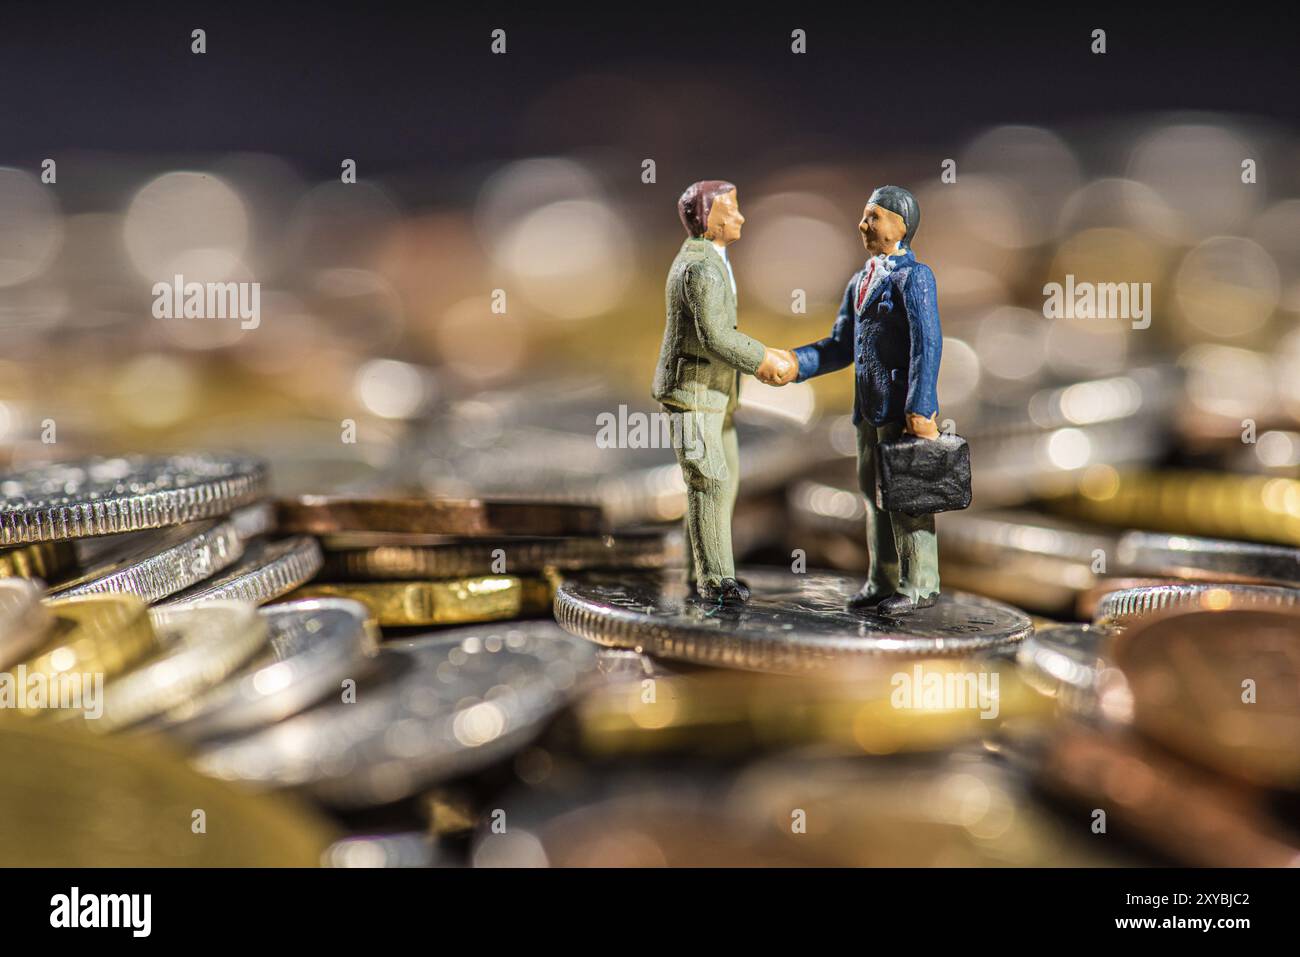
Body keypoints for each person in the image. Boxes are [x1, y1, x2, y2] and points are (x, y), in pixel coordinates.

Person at [761, 186, 943, 615]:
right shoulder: (860, 281)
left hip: (901, 411)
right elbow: (842, 345)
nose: (863, 225)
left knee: (907, 496)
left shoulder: (914, 278)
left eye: (873, 217)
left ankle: (919, 583)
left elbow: (927, 345)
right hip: (866, 409)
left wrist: (921, 407)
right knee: (873, 493)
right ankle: (882, 578)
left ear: (901, 226)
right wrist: (795, 363)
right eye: (864, 216)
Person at [652, 180, 791, 604]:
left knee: (722, 482)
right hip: (692, 395)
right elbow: (714, 336)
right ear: (708, 220)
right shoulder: (701, 269)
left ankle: (702, 569)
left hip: (716, 395)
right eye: (731, 210)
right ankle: (715, 582)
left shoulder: (713, 260)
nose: (741, 217)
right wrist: (762, 358)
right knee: (708, 481)